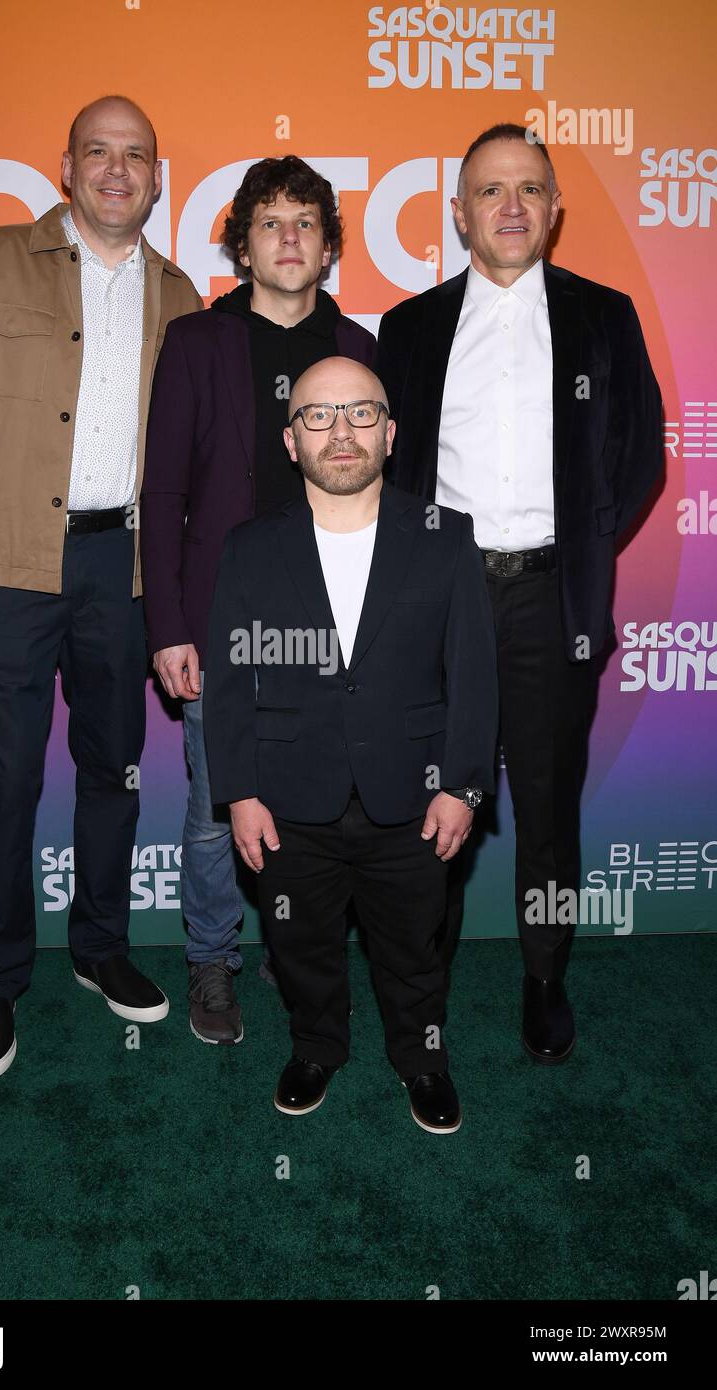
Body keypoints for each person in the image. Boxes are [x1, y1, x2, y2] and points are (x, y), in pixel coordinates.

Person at [0, 95, 202, 1080]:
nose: (118, 171)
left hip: (122, 571)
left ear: (156, 178)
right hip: (10, 565)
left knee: (114, 768)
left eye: (136, 157)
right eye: (98, 153)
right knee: (3, 782)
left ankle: (100, 945)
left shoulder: (181, 297)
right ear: (65, 167)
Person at [376, 123, 663, 1063]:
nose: (509, 206)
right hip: (441, 601)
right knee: (432, 802)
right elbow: (395, 470)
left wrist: (574, 544)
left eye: (528, 189)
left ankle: (544, 978)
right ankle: (426, 979)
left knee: (546, 808)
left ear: (553, 210)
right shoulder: (408, 329)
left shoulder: (604, 316)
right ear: (457, 212)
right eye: (489, 190)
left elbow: (638, 458)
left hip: (550, 600)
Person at [202, 357, 498, 1131]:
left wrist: (463, 786)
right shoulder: (248, 547)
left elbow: (474, 673)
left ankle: (421, 1058)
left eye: (361, 413)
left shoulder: (444, 537)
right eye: (318, 415)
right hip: (288, 792)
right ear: (291, 440)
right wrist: (238, 792)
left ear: (390, 433)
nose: (340, 431)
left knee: (413, 949)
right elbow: (229, 685)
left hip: (415, 788)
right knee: (300, 944)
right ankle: (315, 1047)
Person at [140, 157, 376, 1045]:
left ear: (327, 244)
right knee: (214, 812)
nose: (288, 237)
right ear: (241, 241)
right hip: (219, 626)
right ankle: (211, 961)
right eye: (269, 221)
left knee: (318, 804)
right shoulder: (197, 342)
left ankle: (299, 951)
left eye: (305, 222)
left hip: (337, 631)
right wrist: (168, 626)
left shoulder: (359, 354)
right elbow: (162, 494)